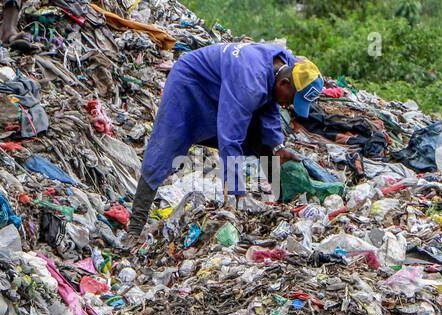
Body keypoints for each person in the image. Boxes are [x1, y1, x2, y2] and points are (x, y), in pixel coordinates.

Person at [128, 42, 323, 233]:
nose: (287, 106)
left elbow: (270, 105)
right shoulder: (250, 84)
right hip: (189, 82)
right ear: (284, 83)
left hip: (222, 85)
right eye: (290, 100)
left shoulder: (285, 63)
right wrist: (237, 193)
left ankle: (280, 201)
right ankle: (135, 226)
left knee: (263, 139)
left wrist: (277, 146)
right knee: (167, 145)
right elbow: (230, 139)